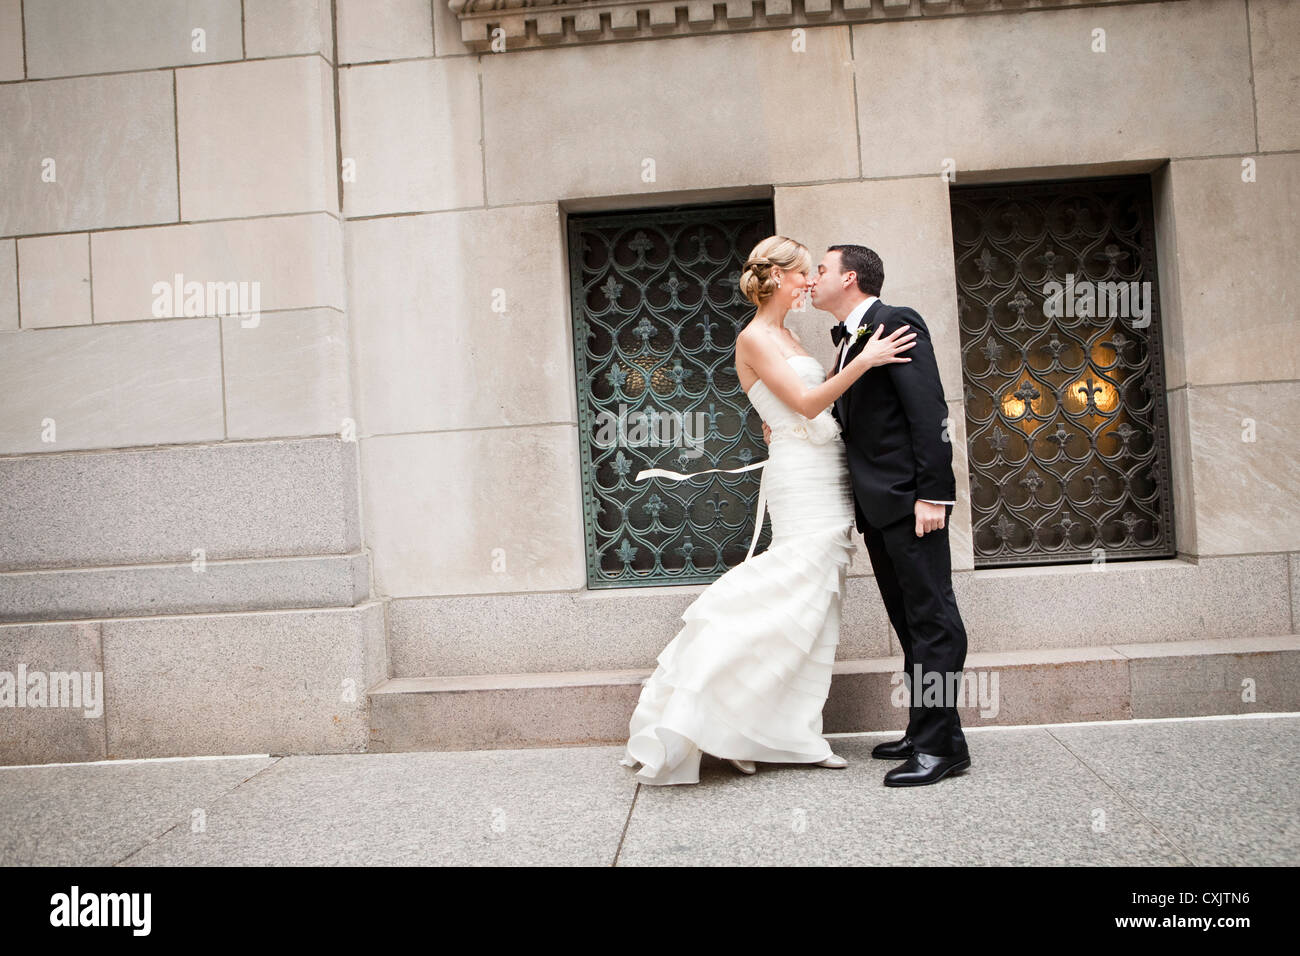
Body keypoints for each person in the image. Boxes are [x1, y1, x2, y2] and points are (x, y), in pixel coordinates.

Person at [617, 235, 916, 785]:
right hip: (800, 478)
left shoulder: (788, 333)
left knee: (815, 602)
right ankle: (726, 717)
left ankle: (769, 729)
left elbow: (790, 408)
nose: (810, 281)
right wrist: (867, 361)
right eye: (805, 273)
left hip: (827, 471)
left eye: (814, 272)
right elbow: (804, 403)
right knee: (791, 586)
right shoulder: (754, 337)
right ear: (779, 278)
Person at [809, 243, 971, 787]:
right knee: (910, 624)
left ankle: (936, 750)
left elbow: (929, 410)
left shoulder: (894, 322)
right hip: (877, 508)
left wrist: (934, 493)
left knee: (935, 624)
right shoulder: (850, 339)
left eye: (822, 269)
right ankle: (935, 733)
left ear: (850, 277)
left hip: (910, 502)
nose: (813, 278)